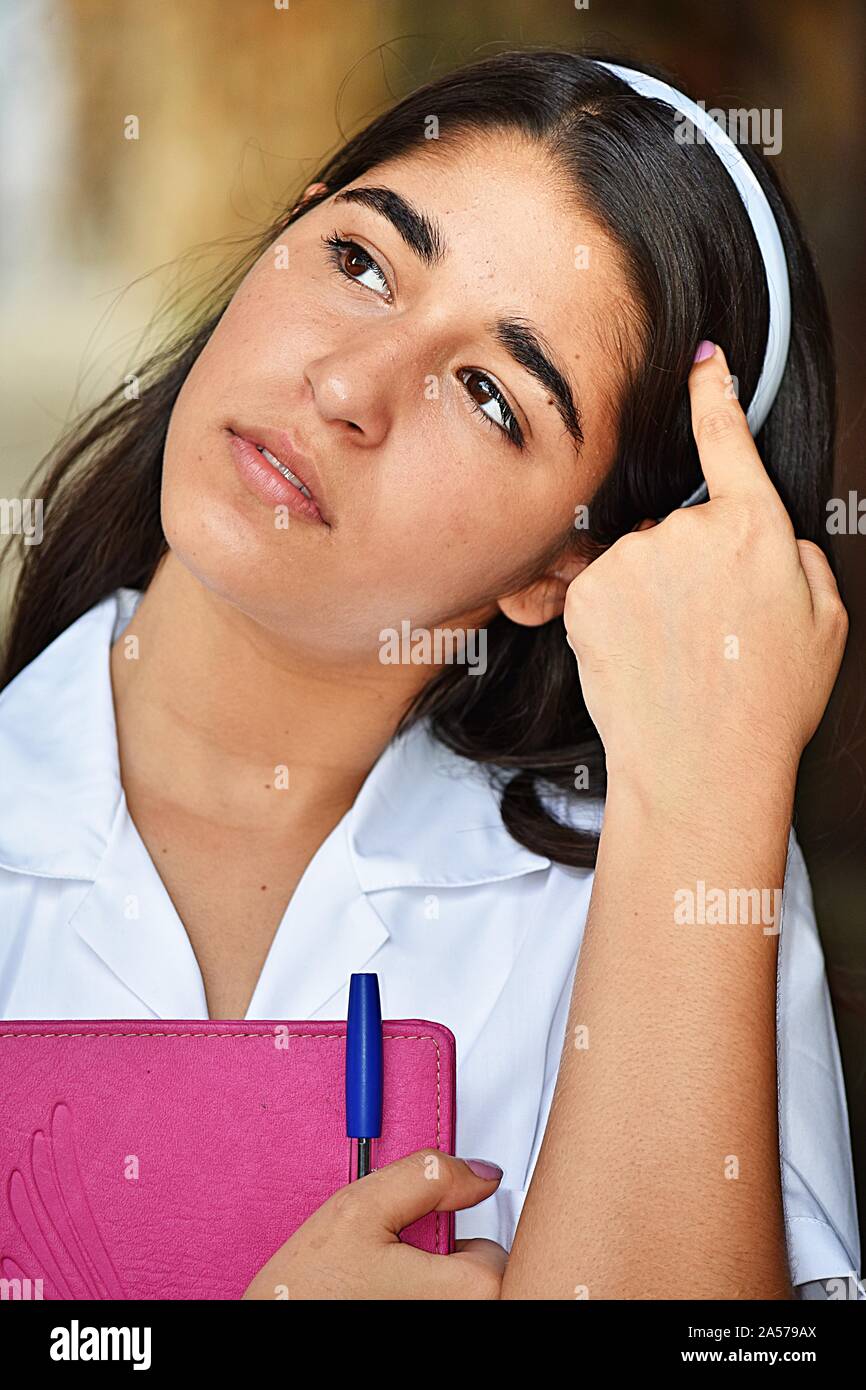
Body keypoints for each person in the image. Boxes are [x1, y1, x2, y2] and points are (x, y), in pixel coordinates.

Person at [0, 49, 860, 1299]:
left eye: (491, 397)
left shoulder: (670, 873)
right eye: (360, 262)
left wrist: (711, 789)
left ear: (566, 570)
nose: (346, 388)